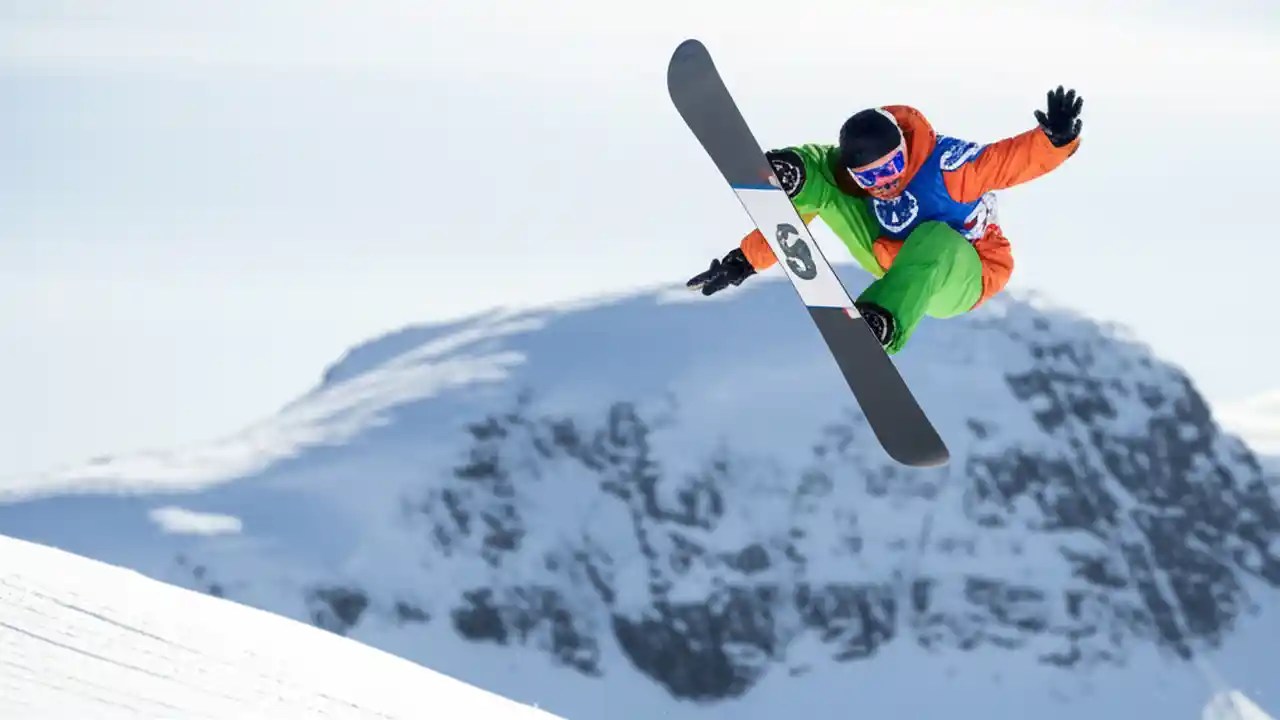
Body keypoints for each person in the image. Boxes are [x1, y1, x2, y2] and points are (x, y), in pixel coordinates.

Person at [686, 86, 1084, 354]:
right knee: (821, 175)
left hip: (963, 273)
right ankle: (788, 176)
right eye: (870, 177)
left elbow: (1009, 161)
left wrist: (1054, 140)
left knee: (935, 238)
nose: (885, 182)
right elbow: (810, 193)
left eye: (893, 166)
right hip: (891, 256)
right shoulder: (854, 178)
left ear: (904, 149)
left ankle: (883, 320)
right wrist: (744, 261)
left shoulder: (948, 166)